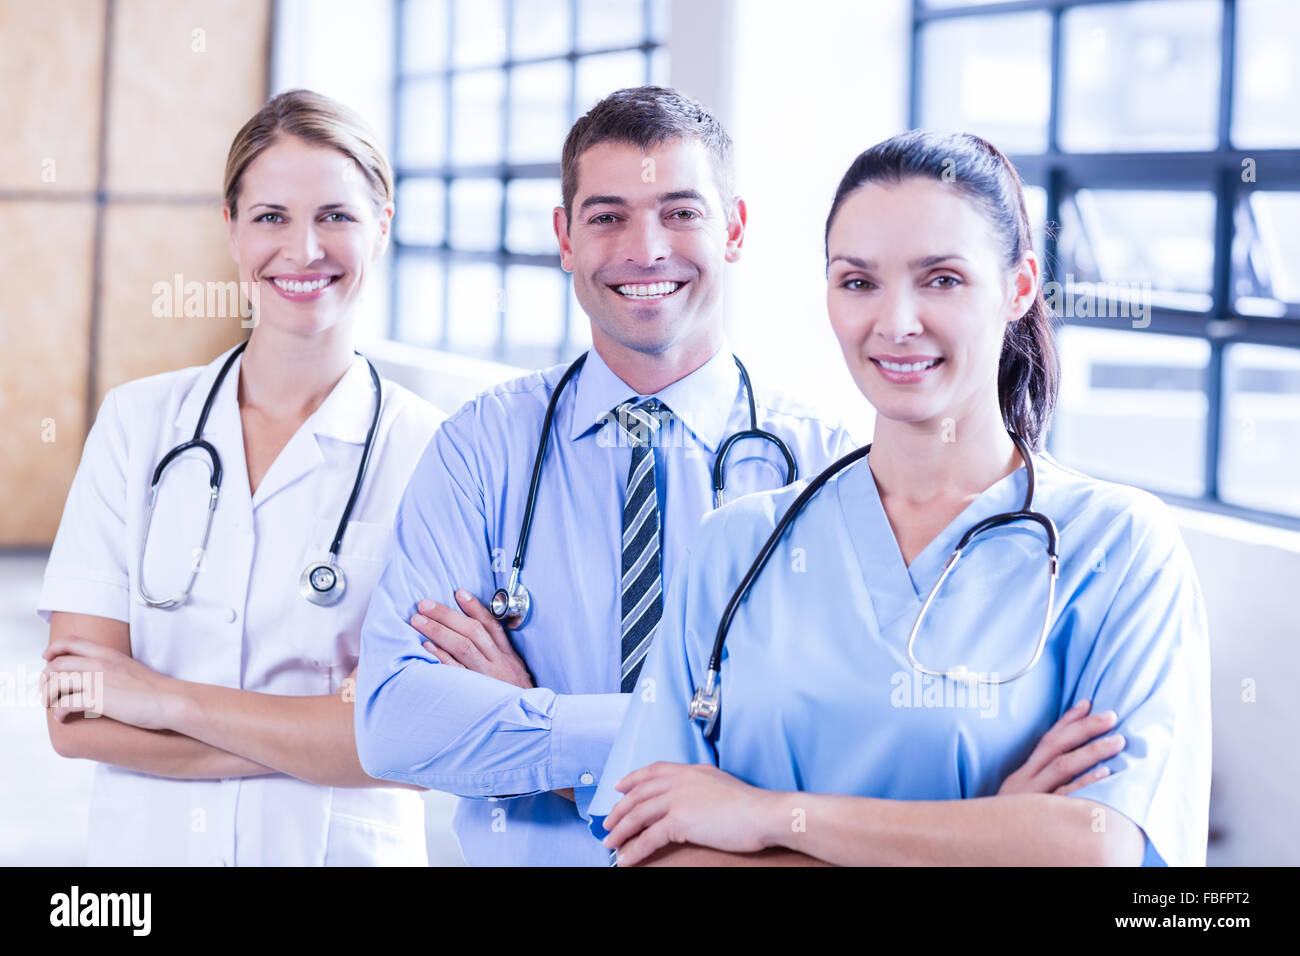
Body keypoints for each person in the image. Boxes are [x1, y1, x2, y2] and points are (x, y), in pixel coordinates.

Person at [354, 90, 1125, 867]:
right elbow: (393, 724)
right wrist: (675, 756)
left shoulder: (827, 473)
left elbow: (863, 763)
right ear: (565, 237)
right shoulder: (481, 448)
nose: (645, 248)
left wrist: (526, 719)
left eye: (681, 212)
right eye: (607, 216)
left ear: (735, 229)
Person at [590, 130, 1211, 867]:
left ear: (1019, 287)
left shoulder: (1116, 547)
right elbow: (648, 849)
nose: (896, 323)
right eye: (858, 282)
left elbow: (1100, 850)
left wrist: (766, 817)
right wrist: (991, 833)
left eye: (942, 279)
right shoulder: (737, 545)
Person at [38, 89, 443, 866]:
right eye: (270, 217)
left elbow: (424, 741)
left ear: (383, 226)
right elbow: (75, 716)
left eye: (336, 216)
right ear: (230, 230)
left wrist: (163, 700)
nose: (303, 249)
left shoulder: (433, 452)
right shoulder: (138, 426)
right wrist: (326, 731)